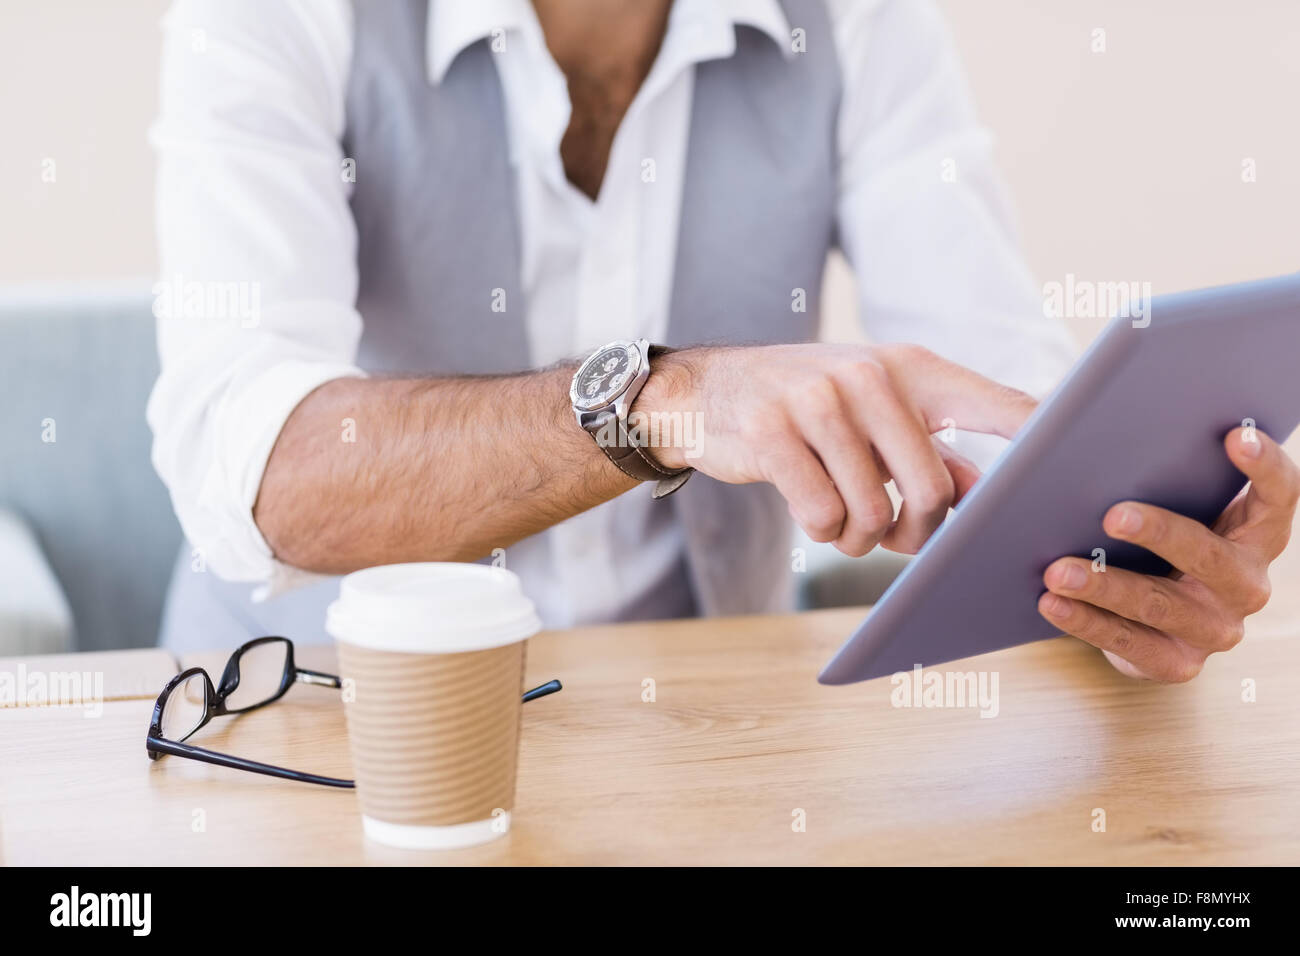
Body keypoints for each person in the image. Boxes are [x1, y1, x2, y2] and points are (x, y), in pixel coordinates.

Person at [148, 0, 1299, 682]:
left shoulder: (851, 21)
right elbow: (260, 474)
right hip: (311, 716)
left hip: (702, 720)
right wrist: (663, 399)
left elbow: (1005, 394)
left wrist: (1127, 551)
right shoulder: (277, 17)